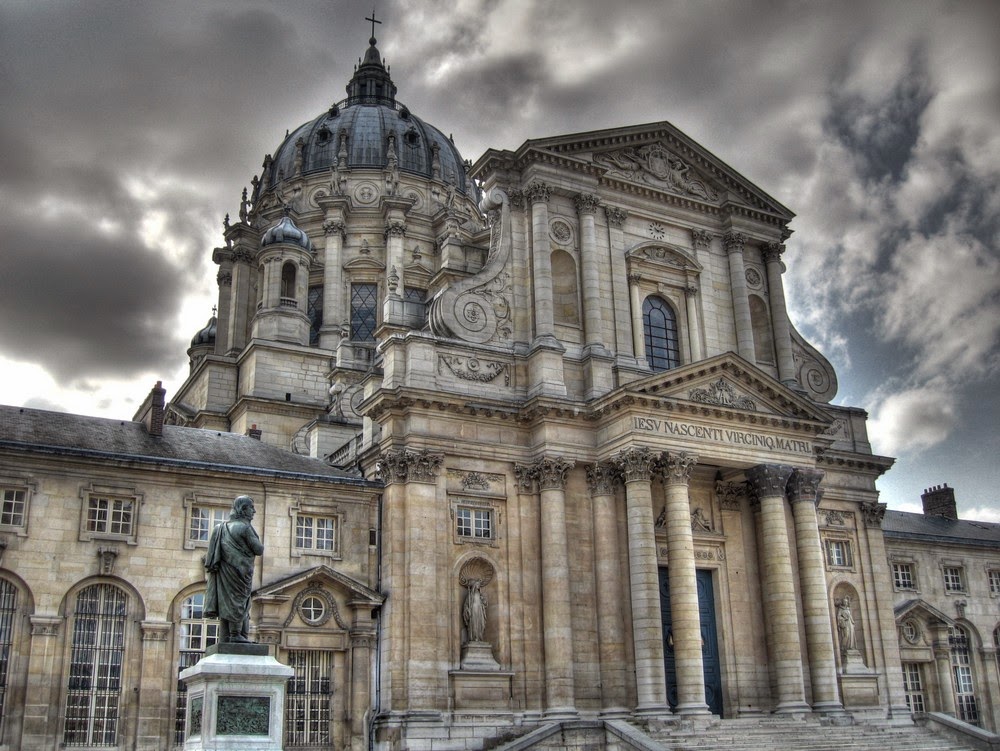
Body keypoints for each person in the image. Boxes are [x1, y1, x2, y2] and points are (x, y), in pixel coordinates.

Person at [204, 495, 264, 643]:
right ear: (243, 509)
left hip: (224, 571)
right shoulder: (244, 528)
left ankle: (226, 637)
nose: (254, 511)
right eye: (251, 507)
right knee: (239, 602)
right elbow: (259, 549)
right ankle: (236, 635)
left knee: (226, 602)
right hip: (240, 572)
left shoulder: (220, 528)